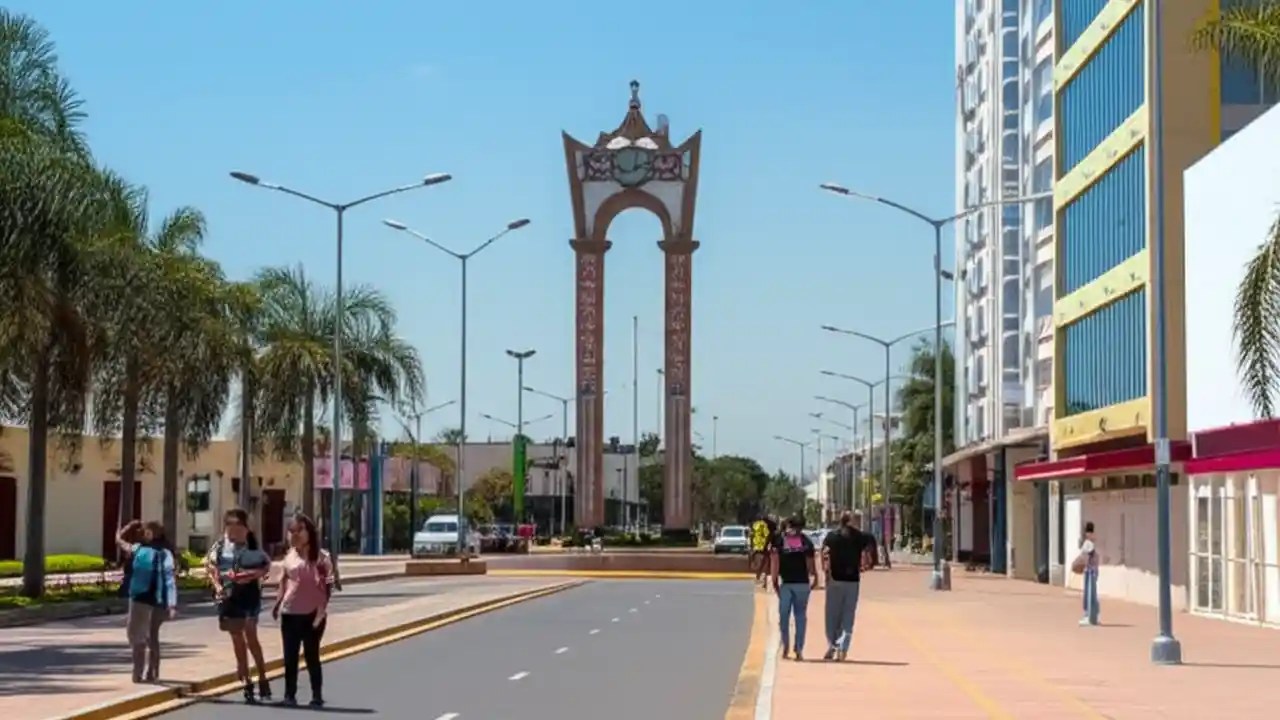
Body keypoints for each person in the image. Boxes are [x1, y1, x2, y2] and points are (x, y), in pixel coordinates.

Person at [205, 508, 273, 703]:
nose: (233, 530)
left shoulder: (253, 548)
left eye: (238, 525)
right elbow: (210, 568)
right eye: (229, 525)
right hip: (229, 599)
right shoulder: (219, 548)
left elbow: (266, 568)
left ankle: (262, 675)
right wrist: (218, 586)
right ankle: (246, 679)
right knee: (237, 639)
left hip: (249, 597)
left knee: (250, 636)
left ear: (246, 528)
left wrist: (249, 576)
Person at [274, 513, 333, 707]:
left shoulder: (323, 558)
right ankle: (289, 695)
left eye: (299, 530)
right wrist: (277, 603)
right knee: (290, 657)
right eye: (291, 531)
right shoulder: (289, 556)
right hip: (290, 613)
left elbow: (328, 586)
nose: (295, 535)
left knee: (311, 655)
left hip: (313, 615)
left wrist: (321, 611)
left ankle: (316, 696)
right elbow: (283, 581)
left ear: (309, 532)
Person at [116, 520, 177, 683]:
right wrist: (127, 528)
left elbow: (170, 579)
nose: (147, 533)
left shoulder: (159, 553)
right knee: (143, 636)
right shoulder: (142, 549)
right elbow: (120, 542)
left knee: (145, 636)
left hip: (152, 600)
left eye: (150, 531)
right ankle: (145, 671)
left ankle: (146, 671)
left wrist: (171, 604)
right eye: (146, 531)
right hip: (147, 599)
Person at [821, 511, 875, 661]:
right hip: (852, 580)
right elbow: (870, 547)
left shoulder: (832, 536)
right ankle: (843, 649)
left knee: (832, 615)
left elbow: (825, 555)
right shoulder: (860, 537)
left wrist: (826, 573)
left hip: (835, 579)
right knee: (848, 616)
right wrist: (867, 564)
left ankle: (833, 645)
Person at [770, 515, 818, 661]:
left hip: (794, 584)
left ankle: (793, 648)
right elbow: (775, 561)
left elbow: (775, 561)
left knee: (792, 617)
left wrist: (774, 580)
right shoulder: (800, 541)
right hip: (794, 584)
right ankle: (792, 647)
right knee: (793, 617)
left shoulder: (796, 541)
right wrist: (815, 577)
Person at [1074, 521, 1100, 626]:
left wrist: (1085, 563)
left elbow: (1090, 554)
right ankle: (1094, 616)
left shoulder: (1088, 543)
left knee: (1089, 595)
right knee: (1093, 594)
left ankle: (1088, 616)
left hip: (1089, 571)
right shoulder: (1092, 541)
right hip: (1093, 570)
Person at [750, 516, 769, 585]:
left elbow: (752, 535)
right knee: (765, 562)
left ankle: (757, 574)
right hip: (763, 546)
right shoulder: (764, 525)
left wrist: (751, 545)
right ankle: (764, 578)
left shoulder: (755, 525)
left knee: (757, 560)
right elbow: (766, 535)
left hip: (757, 546)